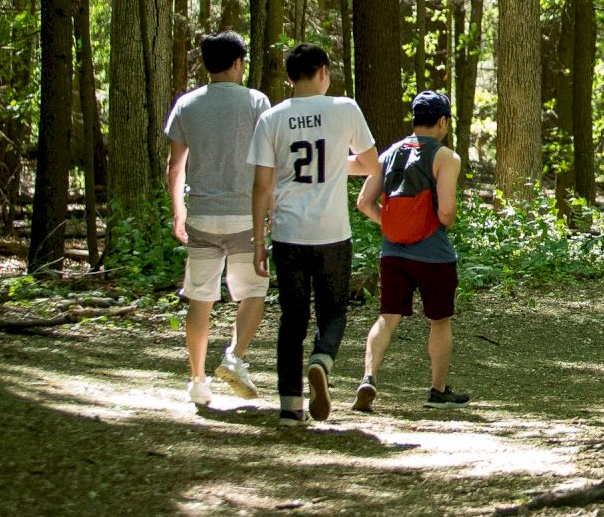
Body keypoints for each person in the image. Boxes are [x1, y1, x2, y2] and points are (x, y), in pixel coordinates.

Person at [248, 43, 380, 427]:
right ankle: (322, 359)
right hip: (332, 233)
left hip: (289, 234)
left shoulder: (272, 118)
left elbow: (261, 186)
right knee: (333, 312)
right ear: (322, 70)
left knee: (292, 318)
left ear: (290, 77)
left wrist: (258, 240)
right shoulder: (345, 109)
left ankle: (290, 406)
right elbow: (372, 164)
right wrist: (337, 162)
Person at [164, 31, 271, 407]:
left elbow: (175, 167)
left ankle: (197, 380)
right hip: (245, 215)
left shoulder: (186, 105)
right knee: (254, 292)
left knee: (200, 298)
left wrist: (179, 212)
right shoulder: (257, 102)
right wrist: (268, 210)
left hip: (203, 215)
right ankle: (234, 356)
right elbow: (265, 164)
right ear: (238, 62)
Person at [353, 91, 470, 411]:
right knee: (440, 321)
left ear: (415, 120)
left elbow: (363, 202)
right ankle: (437, 391)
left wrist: (390, 224)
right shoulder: (446, 157)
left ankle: (368, 377)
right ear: (442, 121)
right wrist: (446, 222)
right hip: (434, 255)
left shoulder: (389, 154)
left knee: (386, 318)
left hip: (393, 253)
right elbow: (446, 213)